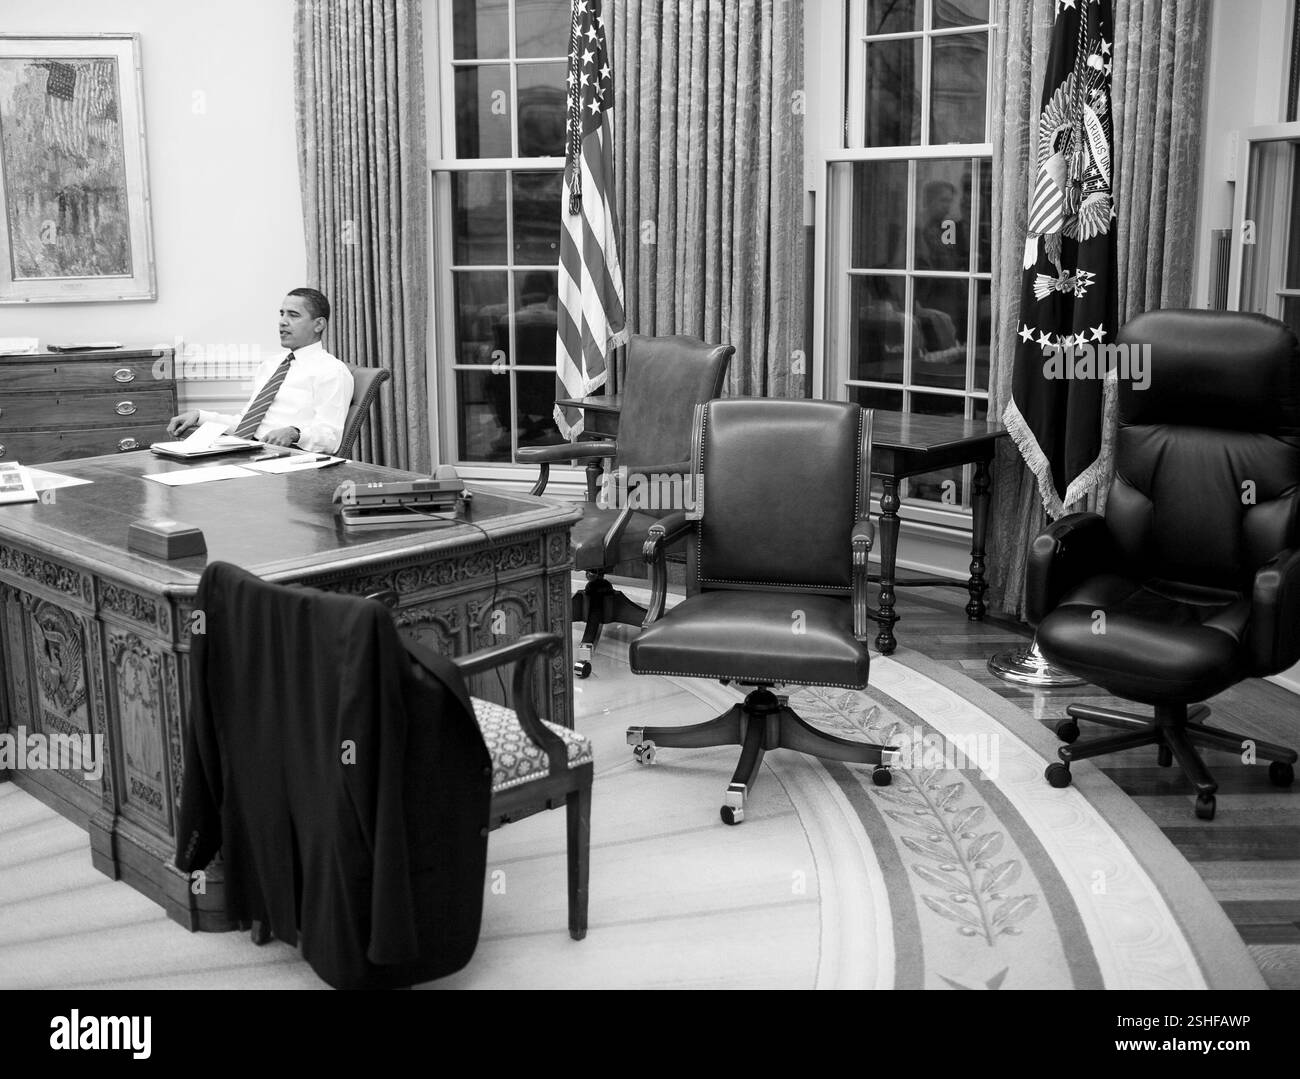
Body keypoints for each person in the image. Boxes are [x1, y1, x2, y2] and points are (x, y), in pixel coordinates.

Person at [167, 288, 354, 453]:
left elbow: (330, 438)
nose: (282, 322)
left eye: (293, 315)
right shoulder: (271, 365)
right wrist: (199, 416)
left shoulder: (332, 371)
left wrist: (294, 433)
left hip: (289, 457)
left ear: (319, 324)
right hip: (250, 449)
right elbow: (247, 424)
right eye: (281, 314)